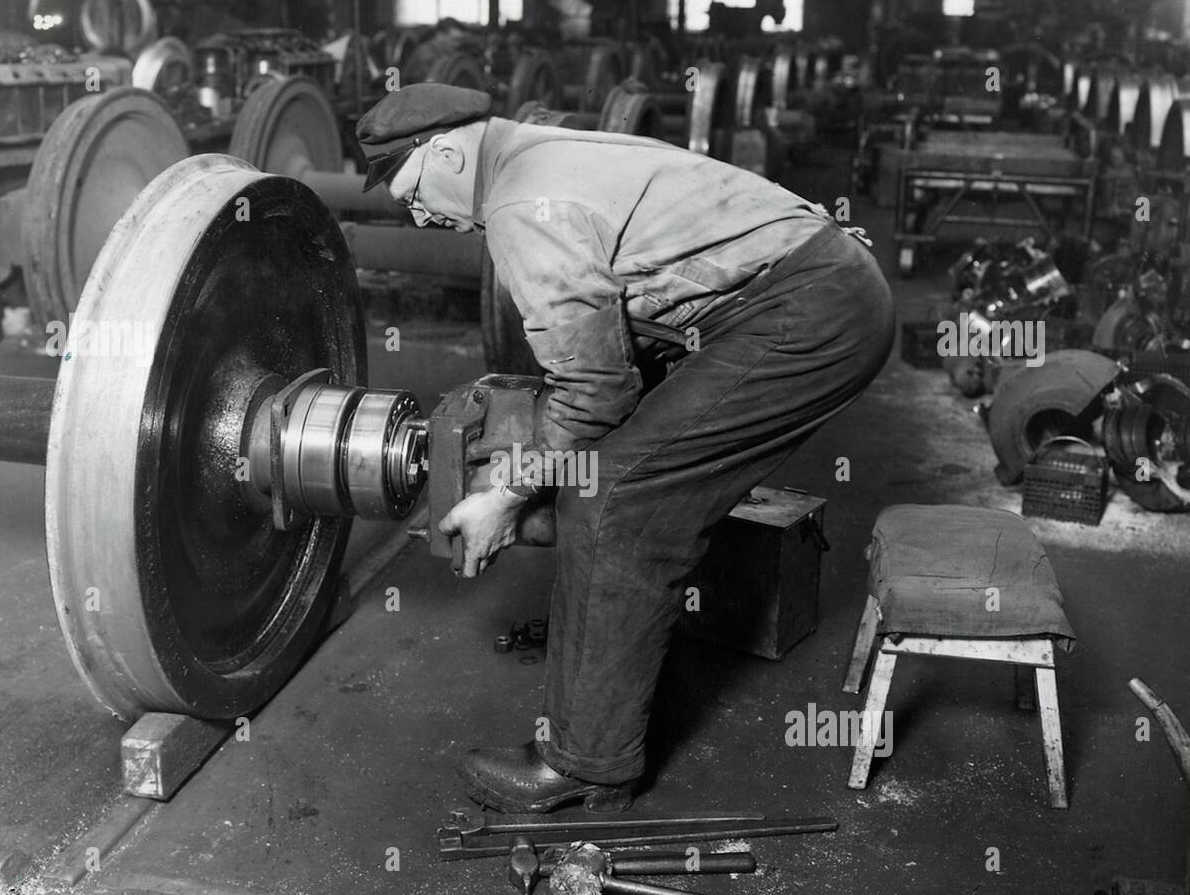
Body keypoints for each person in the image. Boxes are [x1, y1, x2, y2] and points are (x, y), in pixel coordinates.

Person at [355, 84, 894, 813]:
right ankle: (608, 683)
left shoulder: (522, 206)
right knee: (602, 485)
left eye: (414, 192)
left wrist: (504, 496)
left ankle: (588, 767)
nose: (420, 216)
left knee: (618, 505)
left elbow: (596, 389)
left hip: (810, 311)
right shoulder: (538, 147)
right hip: (793, 290)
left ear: (448, 150)